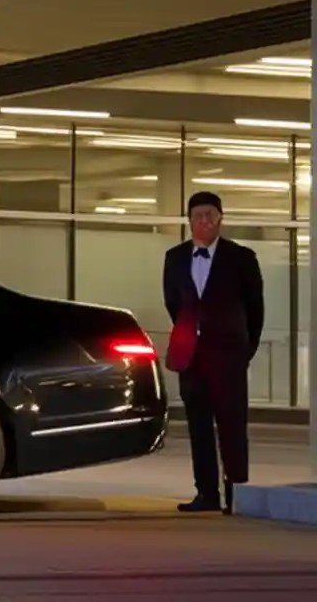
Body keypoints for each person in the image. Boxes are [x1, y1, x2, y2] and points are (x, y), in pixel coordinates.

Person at [161, 191, 264, 515]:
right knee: (198, 426)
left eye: (210, 215)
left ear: (220, 218)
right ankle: (206, 493)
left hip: (229, 355)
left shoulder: (242, 257)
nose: (204, 221)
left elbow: (255, 308)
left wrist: (245, 348)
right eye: (198, 215)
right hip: (191, 357)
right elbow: (173, 303)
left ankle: (237, 494)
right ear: (189, 221)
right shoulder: (175, 257)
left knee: (233, 426)